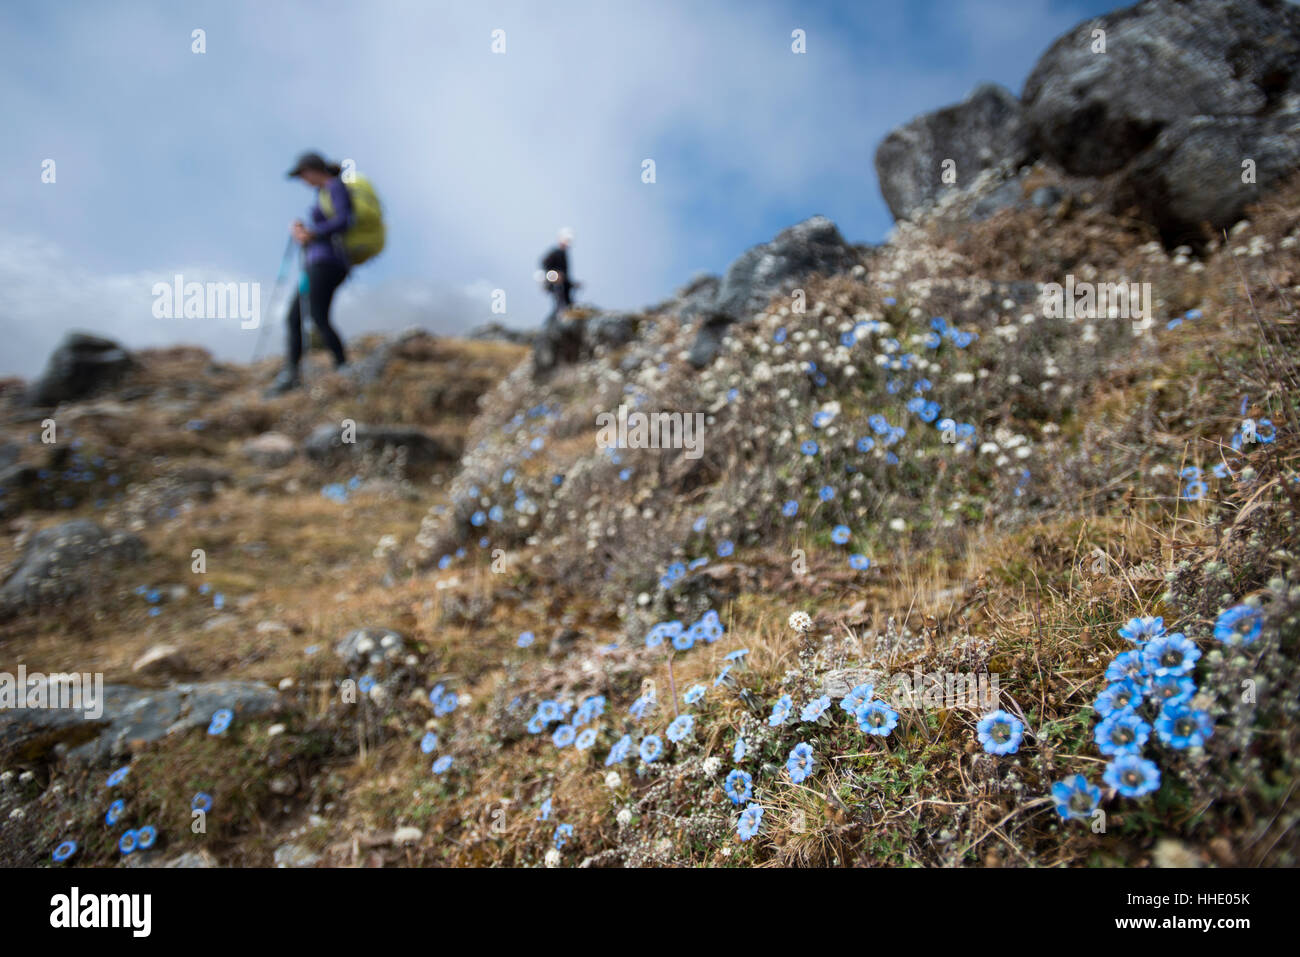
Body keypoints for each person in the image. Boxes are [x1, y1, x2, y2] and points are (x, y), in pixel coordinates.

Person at [267, 151, 353, 395]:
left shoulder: (334, 187)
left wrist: (311, 233)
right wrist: (307, 233)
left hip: (327, 263)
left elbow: (345, 220)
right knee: (297, 317)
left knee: (316, 315)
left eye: (303, 175)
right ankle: (293, 371)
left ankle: (342, 366)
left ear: (312, 170)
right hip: (318, 263)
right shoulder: (323, 193)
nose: (303, 181)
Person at [540, 228, 578, 323]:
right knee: (559, 306)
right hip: (557, 286)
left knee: (567, 305)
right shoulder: (556, 253)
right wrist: (555, 275)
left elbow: (565, 276)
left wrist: (572, 284)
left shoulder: (564, 254)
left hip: (564, 287)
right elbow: (544, 264)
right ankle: (551, 325)